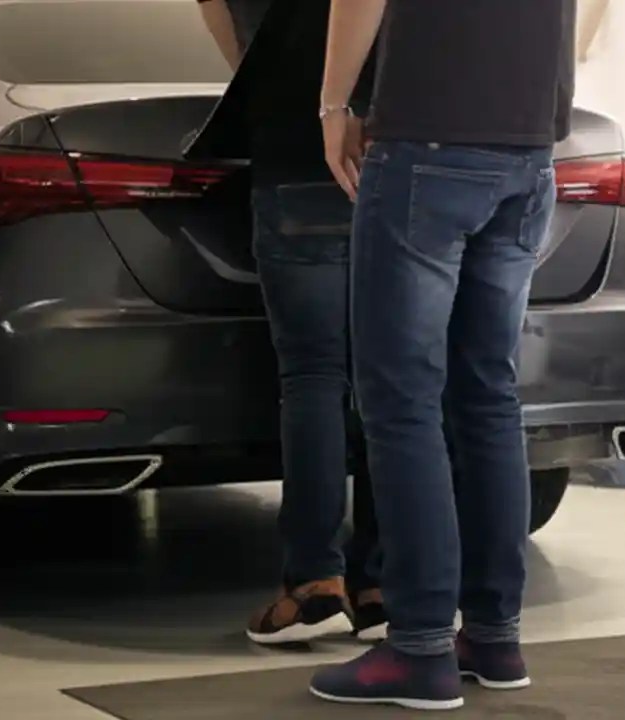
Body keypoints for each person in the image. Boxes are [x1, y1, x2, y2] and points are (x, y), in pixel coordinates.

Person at [310, 0, 577, 711]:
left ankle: (420, 646)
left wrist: (335, 101)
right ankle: (493, 636)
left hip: (429, 141)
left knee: (402, 402)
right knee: (489, 395)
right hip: (529, 148)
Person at [193, 0, 386, 644]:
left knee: (313, 375)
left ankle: (313, 583)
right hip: (391, 143)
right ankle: (383, 584)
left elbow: (227, 25)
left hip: (292, 146)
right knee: (391, 380)